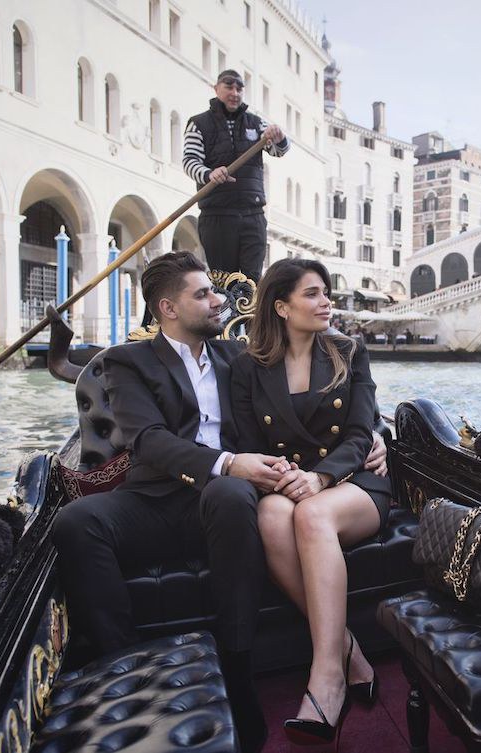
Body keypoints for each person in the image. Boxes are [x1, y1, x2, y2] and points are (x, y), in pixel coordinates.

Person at [51, 252, 387, 753]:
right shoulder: (127, 362)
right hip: (158, 495)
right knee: (75, 521)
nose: (218, 300)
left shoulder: (241, 359)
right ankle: (123, 668)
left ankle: (237, 669)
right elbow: (148, 440)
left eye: (215, 291)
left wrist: (377, 436)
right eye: (203, 294)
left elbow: (317, 404)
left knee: (232, 496)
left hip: (230, 502)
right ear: (168, 308)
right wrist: (228, 463)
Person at [230, 259, 391, 745]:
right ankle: (349, 650)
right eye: (313, 294)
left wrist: (320, 477)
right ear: (281, 307)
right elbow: (248, 443)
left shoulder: (349, 351)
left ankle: (327, 677)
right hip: (288, 484)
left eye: (326, 293)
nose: (326, 303)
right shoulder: (246, 368)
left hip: (352, 481)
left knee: (313, 514)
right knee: (271, 516)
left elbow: (361, 432)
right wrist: (286, 477)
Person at [183, 69, 288, 281]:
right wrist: (210, 174)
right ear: (216, 89)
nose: (235, 92)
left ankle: (250, 305)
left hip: (253, 213)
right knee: (224, 281)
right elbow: (189, 161)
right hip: (217, 215)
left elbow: (279, 151)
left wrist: (278, 137)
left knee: (252, 280)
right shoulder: (199, 123)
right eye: (229, 86)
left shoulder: (256, 123)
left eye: (239, 88)